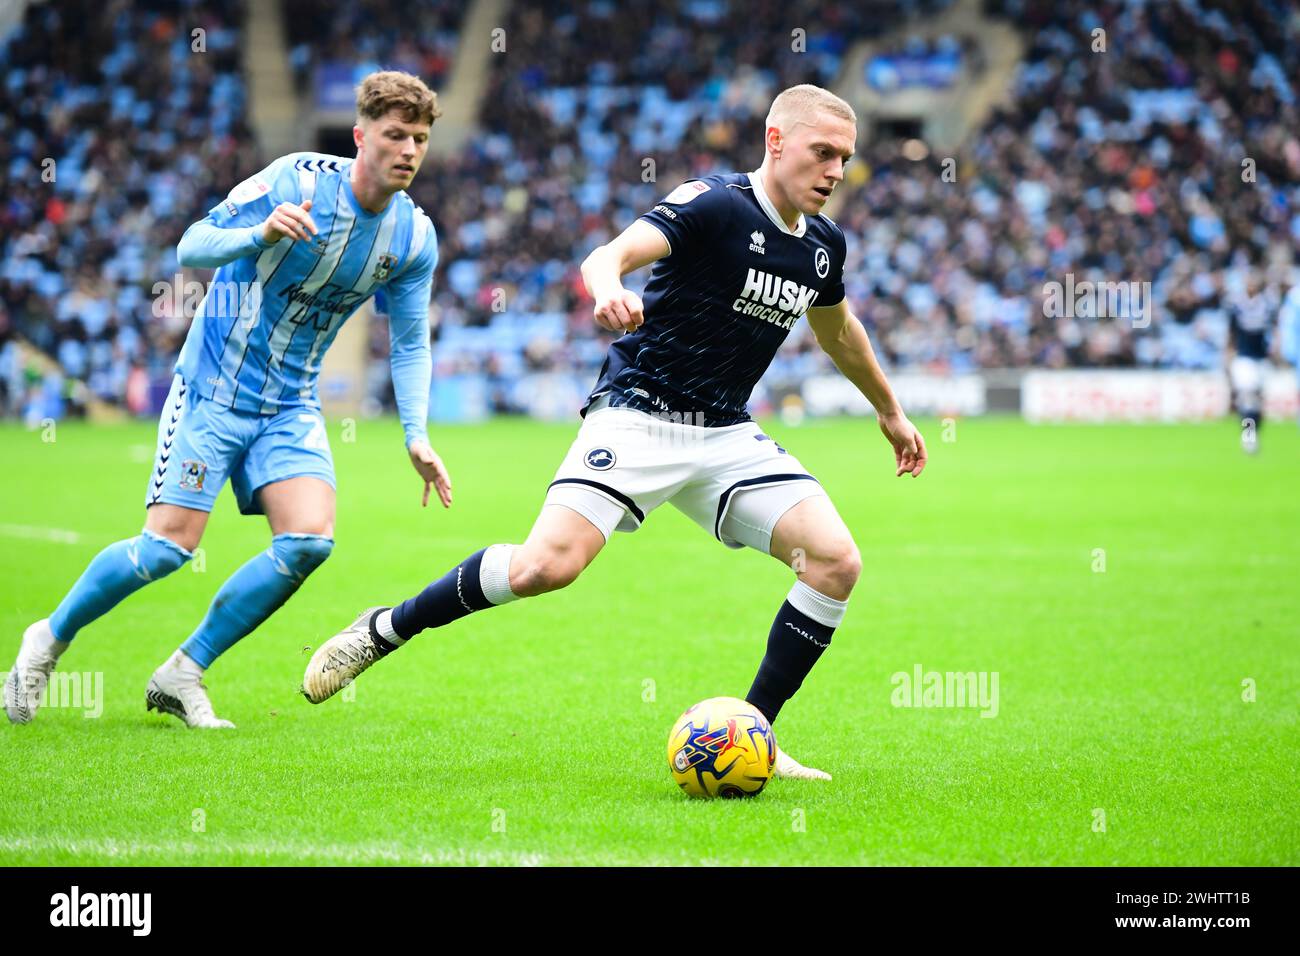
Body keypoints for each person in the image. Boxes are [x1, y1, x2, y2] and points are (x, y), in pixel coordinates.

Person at [301, 84, 927, 780]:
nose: (837, 171)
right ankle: (385, 628)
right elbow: (607, 257)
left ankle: (755, 738)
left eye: (845, 157)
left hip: (724, 435)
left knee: (836, 562)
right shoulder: (714, 204)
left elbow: (838, 331)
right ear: (776, 142)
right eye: (823, 153)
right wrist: (607, 290)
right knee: (547, 568)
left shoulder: (821, 246)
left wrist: (890, 410)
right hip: (638, 416)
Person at [5, 71, 452, 729]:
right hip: (213, 388)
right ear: (361, 136)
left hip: (290, 403)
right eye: (394, 135)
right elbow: (192, 244)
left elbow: (411, 340)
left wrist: (416, 432)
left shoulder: (413, 238)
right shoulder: (295, 182)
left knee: (308, 542)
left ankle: (182, 672)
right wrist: (259, 235)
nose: (409, 150)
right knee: (166, 550)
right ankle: (44, 641)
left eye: (419, 138)